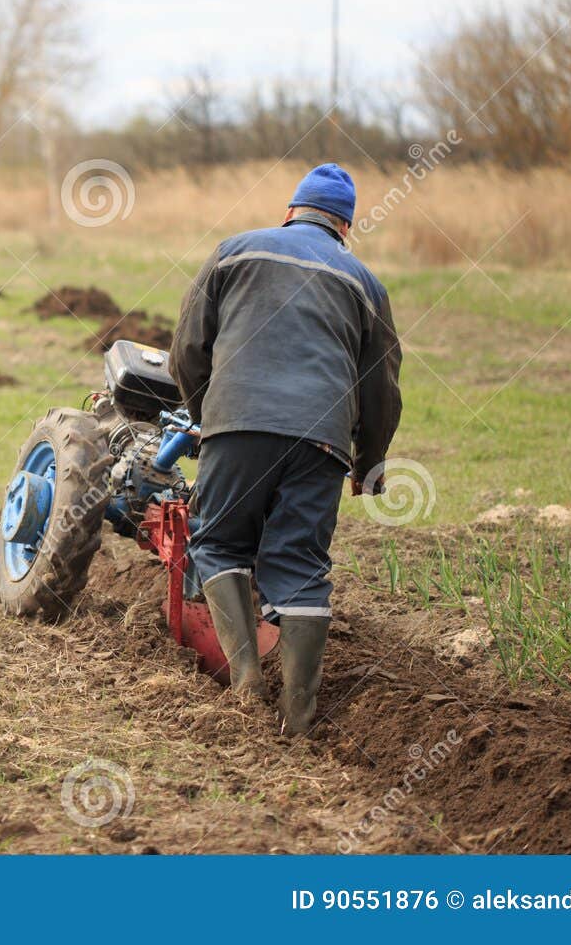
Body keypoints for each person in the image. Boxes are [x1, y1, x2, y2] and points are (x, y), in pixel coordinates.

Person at [168, 163, 402, 737]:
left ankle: (246, 685)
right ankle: (298, 720)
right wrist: (369, 464)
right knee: (300, 568)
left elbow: (188, 350)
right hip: (323, 438)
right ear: (344, 226)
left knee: (219, 543)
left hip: (238, 422)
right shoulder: (364, 283)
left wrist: (207, 417)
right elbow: (382, 387)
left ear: (290, 210)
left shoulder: (234, 252)